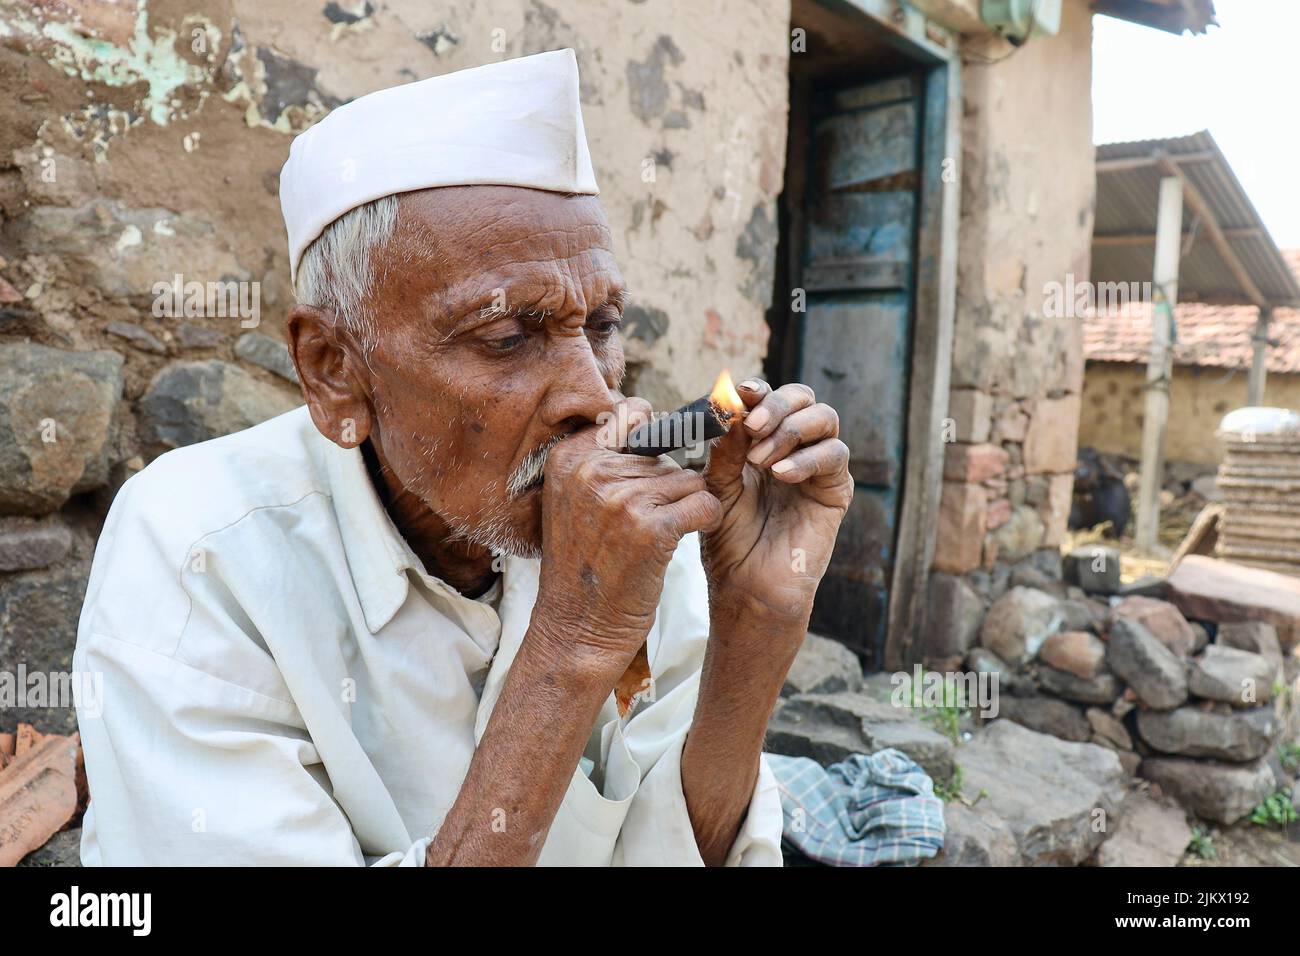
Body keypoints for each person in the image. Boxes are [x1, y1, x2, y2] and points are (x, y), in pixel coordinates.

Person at [74, 49, 852, 866]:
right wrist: (572, 646)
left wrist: (758, 625)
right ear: (336, 369)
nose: (595, 396)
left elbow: (677, 850)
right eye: (509, 336)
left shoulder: (640, 530)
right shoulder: (199, 551)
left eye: (601, 327)